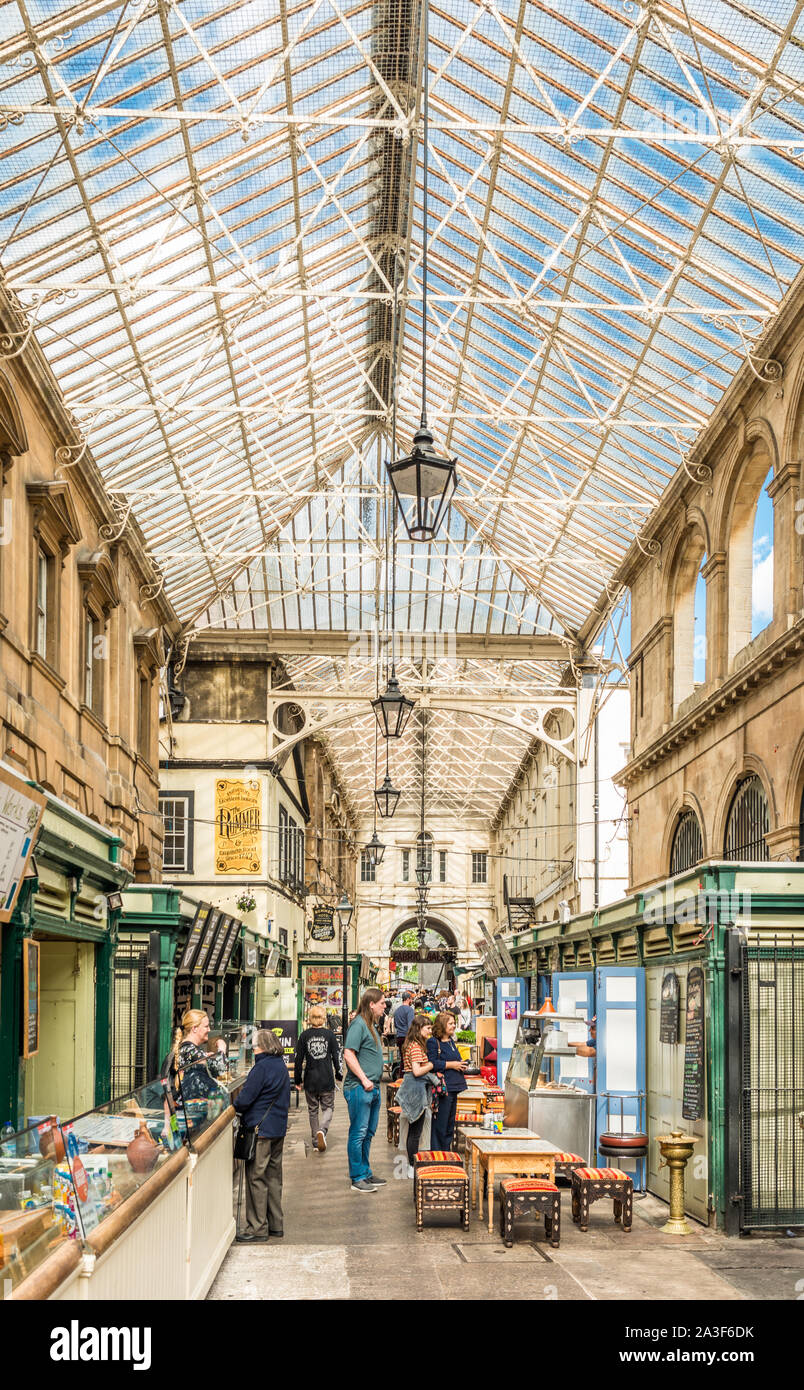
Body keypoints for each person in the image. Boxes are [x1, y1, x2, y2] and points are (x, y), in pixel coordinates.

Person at [233, 1029, 291, 1242]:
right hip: (277, 1129)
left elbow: (245, 1099)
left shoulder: (261, 1067)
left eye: (254, 1044)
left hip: (260, 1131)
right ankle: (276, 1224)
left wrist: (236, 1106)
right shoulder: (280, 1065)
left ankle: (257, 1227)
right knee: (274, 1177)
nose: (252, 1047)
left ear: (261, 1046)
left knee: (256, 1177)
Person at [343, 986, 387, 1193]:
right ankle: (357, 1177)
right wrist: (364, 1079)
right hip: (360, 1088)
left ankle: (366, 1172)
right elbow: (349, 1054)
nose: (385, 1007)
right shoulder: (359, 1024)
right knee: (359, 1132)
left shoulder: (371, 1025)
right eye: (382, 1003)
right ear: (371, 1004)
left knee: (368, 1133)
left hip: (372, 1087)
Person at [165, 1009, 228, 1127]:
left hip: (186, 1110)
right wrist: (222, 1049)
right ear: (194, 1028)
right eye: (206, 1026)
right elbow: (221, 1070)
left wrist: (206, 1058)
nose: (209, 1030)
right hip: (190, 1114)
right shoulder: (192, 1051)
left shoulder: (186, 1049)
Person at [295, 1005, 342, 1152]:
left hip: (310, 1080)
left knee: (312, 1110)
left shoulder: (304, 1036)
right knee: (328, 1108)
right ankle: (323, 1129)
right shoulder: (330, 1035)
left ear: (310, 1018)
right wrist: (338, 1074)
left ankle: (316, 1140)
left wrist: (298, 1079)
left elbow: (298, 1060)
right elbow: (337, 1056)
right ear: (323, 1018)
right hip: (326, 1078)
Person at [397, 1013, 434, 1175]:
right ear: (419, 1028)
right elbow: (417, 1071)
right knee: (415, 1131)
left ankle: (412, 1164)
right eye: (428, 1028)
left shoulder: (413, 1045)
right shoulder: (416, 1046)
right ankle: (412, 1166)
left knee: (414, 1130)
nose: (430, 1031)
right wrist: (431, 1065)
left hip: (415, 1089)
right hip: (415, 1090)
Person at [427, 1010, 468, 1151]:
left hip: (454, 1086)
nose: (454, 1026)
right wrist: (453, 1065)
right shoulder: (433, 1042)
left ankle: (446, 1153)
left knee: (449, 1123)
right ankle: (438, 1155)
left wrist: (461, 1064)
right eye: (450, 1023)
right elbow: (432, 1063)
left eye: (454, 1023)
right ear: (442, 1024)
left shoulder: (451, 1041)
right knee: (441, 1123)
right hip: (443, 1088)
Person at [393, 991, 415, 1070]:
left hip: (399, 1036)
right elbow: (410, 1026)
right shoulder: (410, 1010)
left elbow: (395, 1024)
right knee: (409, 1060)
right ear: (408, 999)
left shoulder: (397, 1010)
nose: (411, 1001)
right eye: (411, 999)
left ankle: (401, 1076)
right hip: (407, 1037)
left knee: (403, 1059)